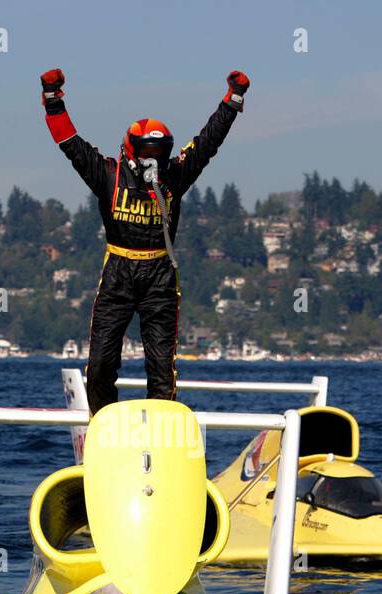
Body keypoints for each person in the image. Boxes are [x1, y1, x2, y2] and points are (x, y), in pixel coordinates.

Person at [40, 67, 249, 414]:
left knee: (161, 370)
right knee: (103, 362)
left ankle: (159, 435)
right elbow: (69, 143)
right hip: (119, 273)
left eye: (161, 151)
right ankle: (101, 425)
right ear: (130, 150)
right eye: (148, 152)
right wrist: (52, 97)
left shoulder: (175, 175)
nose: (156, 160)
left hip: (159, 276)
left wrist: (233, 100)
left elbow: (208, 142)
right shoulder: (107, 175)